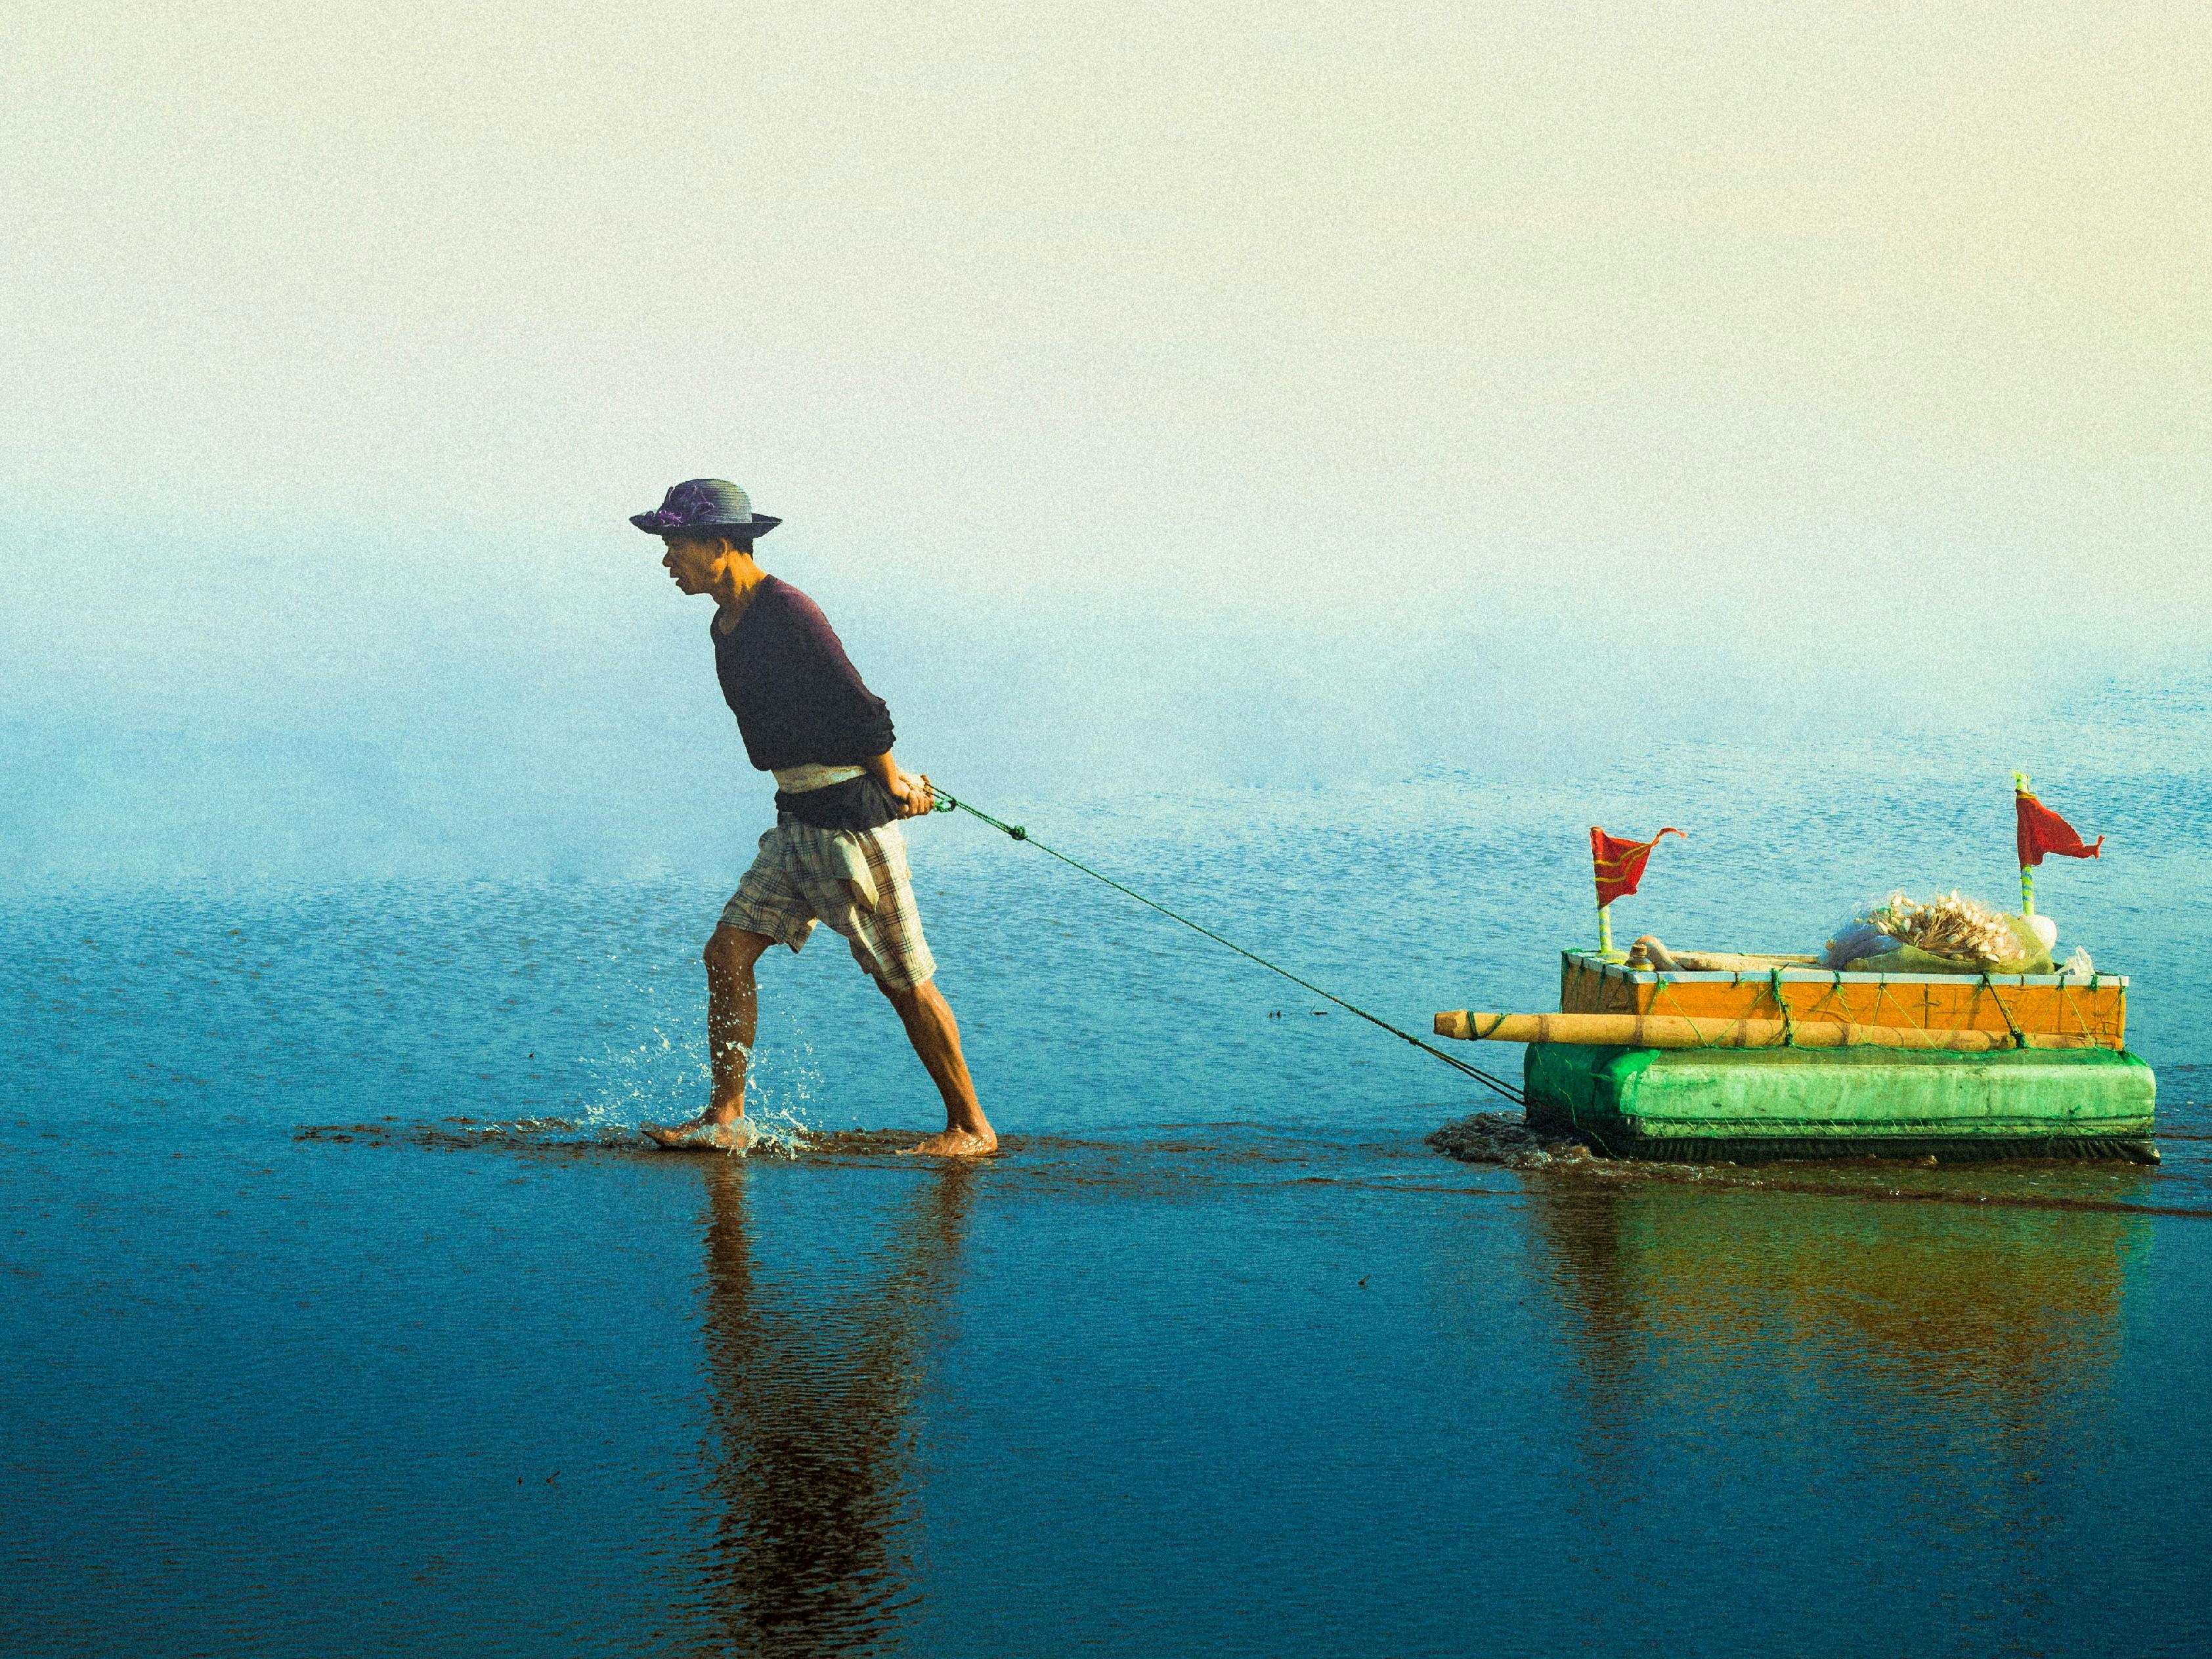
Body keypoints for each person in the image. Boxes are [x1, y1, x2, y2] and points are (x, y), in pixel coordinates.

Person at [628, 479, 996, 1156]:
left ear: (720, 543)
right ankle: (726, 1117)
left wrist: (892, 783)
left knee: (904, 979)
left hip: (850, 824)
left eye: (676, 544)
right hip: (796, 821)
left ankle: (972, 1128)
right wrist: (888, 777)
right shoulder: (725, 625)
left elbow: (861, 709)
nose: (666, 559)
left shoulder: (790, 611)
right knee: (727, 952)